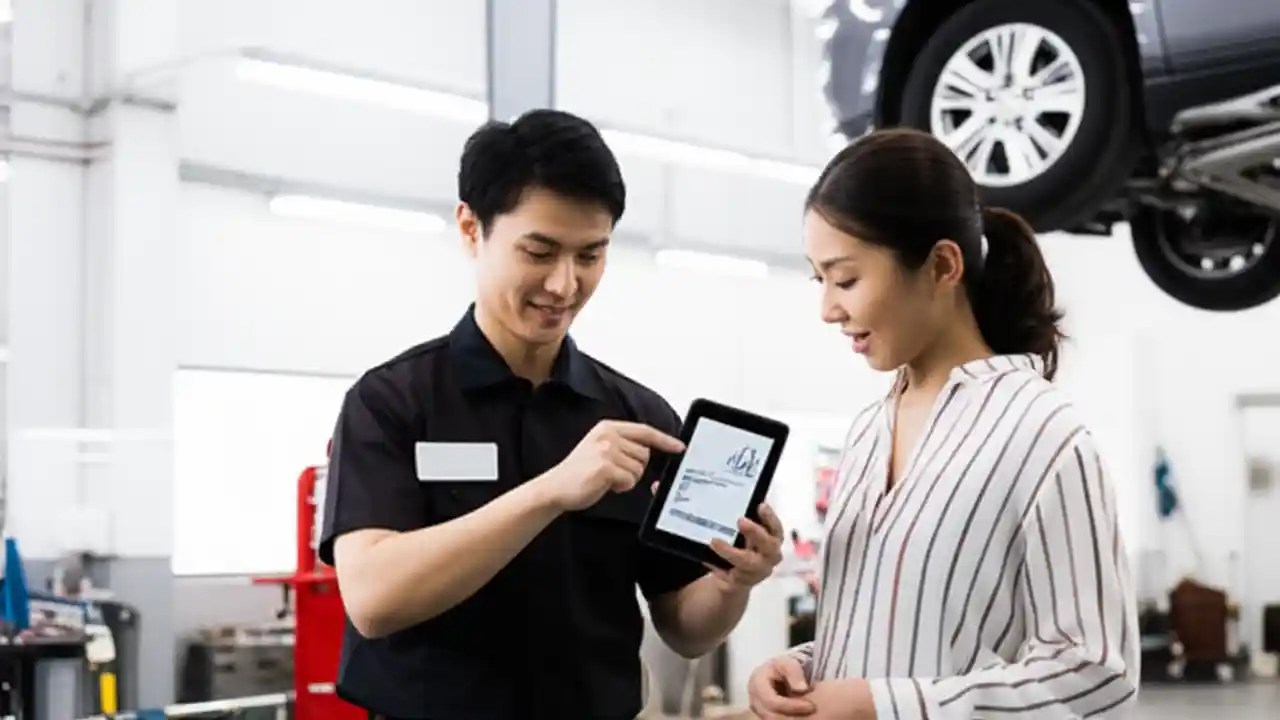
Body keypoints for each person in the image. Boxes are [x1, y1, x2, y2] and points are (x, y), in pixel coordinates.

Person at [317, 108, 785, 720]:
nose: (565, 285)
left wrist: (733, 582)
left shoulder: (639, 416)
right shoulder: (392, 402)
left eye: (590, 255)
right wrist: (551, 492)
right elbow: (374, 600)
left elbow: (685, 629)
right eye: (539, 252)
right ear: (471, 228)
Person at [747, 129, 1138, 719]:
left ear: (942, 265)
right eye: (818, 280)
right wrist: (802, 667)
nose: (828, 309)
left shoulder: (1044, 433)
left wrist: (886, 707)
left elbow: (1096, 677)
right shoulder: (868, 432)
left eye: (846, 279)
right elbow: (905, 634)